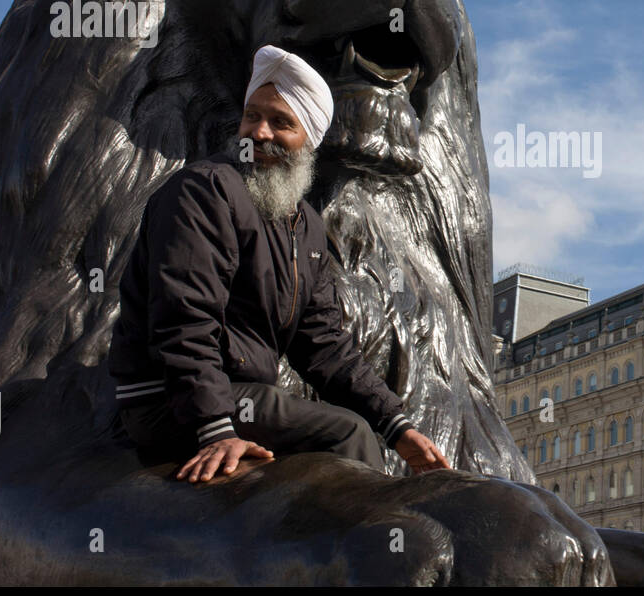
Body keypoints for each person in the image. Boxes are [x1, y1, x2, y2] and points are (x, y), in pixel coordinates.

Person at [109, 44, 451, 483]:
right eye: (252, 116)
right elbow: (184, 319)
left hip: (237, 396)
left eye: (281, 122)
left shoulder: (306, 227)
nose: (260, 132)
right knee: (347, 434)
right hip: (167, 399)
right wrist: (215, 429)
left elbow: (325, 345)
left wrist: (396, 425)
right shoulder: (204, 192)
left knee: (359, 428)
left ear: (309, 139)